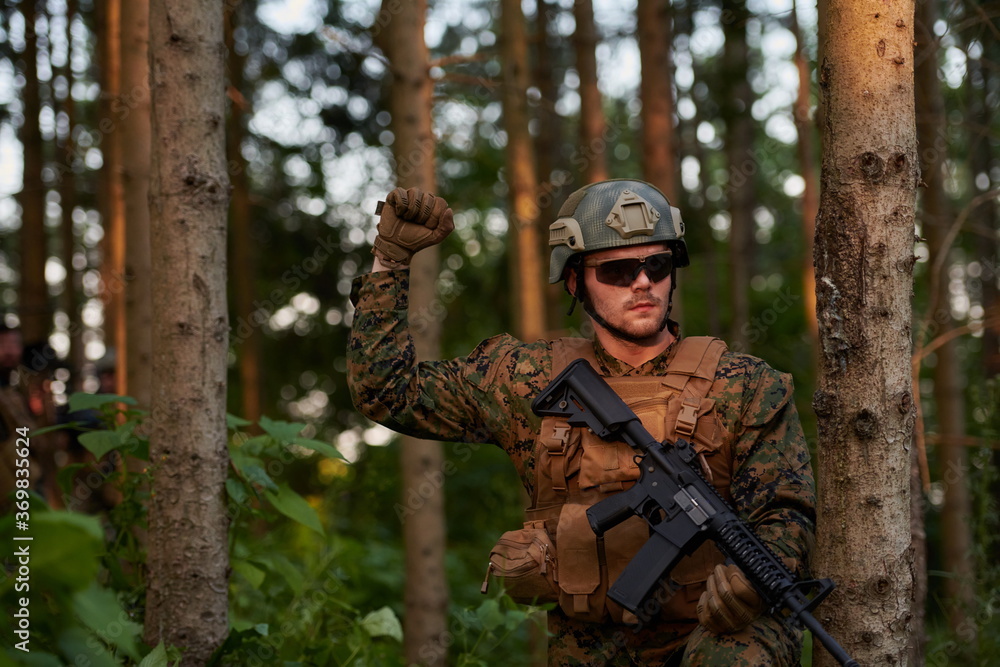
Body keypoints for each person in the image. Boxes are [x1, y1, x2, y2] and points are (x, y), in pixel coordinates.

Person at [348, 180, 816, 666]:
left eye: (657, 265)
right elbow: (387, 392)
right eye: (617, 269)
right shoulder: (525, 379)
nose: (642, 283)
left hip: (719, 631)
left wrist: (754, 583)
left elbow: (788, 510)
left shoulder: (743, 383)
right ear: (575, 282)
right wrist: (391, 261)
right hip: (588, 641)